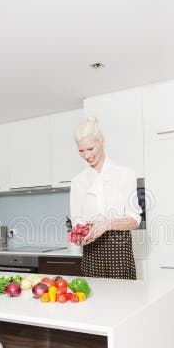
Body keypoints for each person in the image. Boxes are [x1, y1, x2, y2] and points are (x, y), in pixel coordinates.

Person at [69, 116, 142, 279]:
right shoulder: (78, 181)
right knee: (94, 302)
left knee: (123, 301)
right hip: (91, 252)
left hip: (119, 252)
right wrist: (79, 237)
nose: (86, 155)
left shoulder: (125, 174)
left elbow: (134, 220)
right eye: (81, 151)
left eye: (90, 148)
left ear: (101, 141)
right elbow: (77, 221)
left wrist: (107, 224)